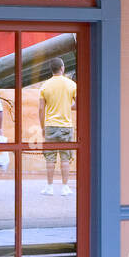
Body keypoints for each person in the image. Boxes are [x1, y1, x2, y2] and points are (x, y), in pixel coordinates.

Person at [38, 56, 77, 196]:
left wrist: (43, 127)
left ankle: (49, 187)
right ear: (62, 68)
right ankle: (65, 187)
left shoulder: (45, 86)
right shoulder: (71, 85)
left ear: (51, 70)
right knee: (65, 158)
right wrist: (68, 107)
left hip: (50, 126)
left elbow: (41, 109)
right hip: (67, 126)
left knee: (50, 158)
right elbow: (79, 104)